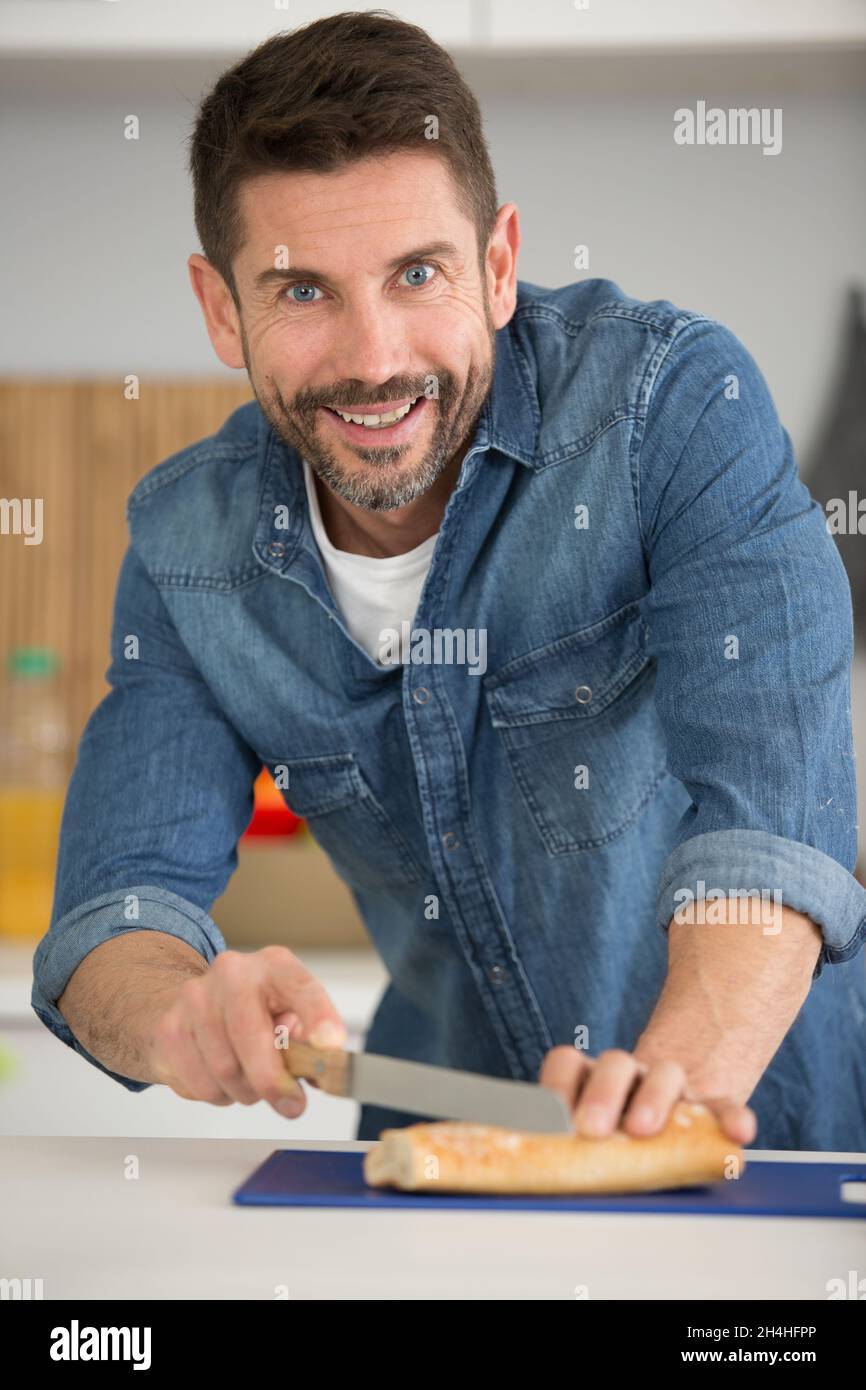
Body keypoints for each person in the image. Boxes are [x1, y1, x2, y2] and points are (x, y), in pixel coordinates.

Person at [33, 11, 866, 1150]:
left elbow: (773, 823)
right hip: (436, 1148)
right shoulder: (188, 545)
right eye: (302, 291)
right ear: (222, 308)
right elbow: (111, 913)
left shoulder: (669, 409)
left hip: (774, 1125)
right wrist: (182, 1007)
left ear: (497, 263)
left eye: (416, 272)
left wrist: (659, 1111)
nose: (374, 358)